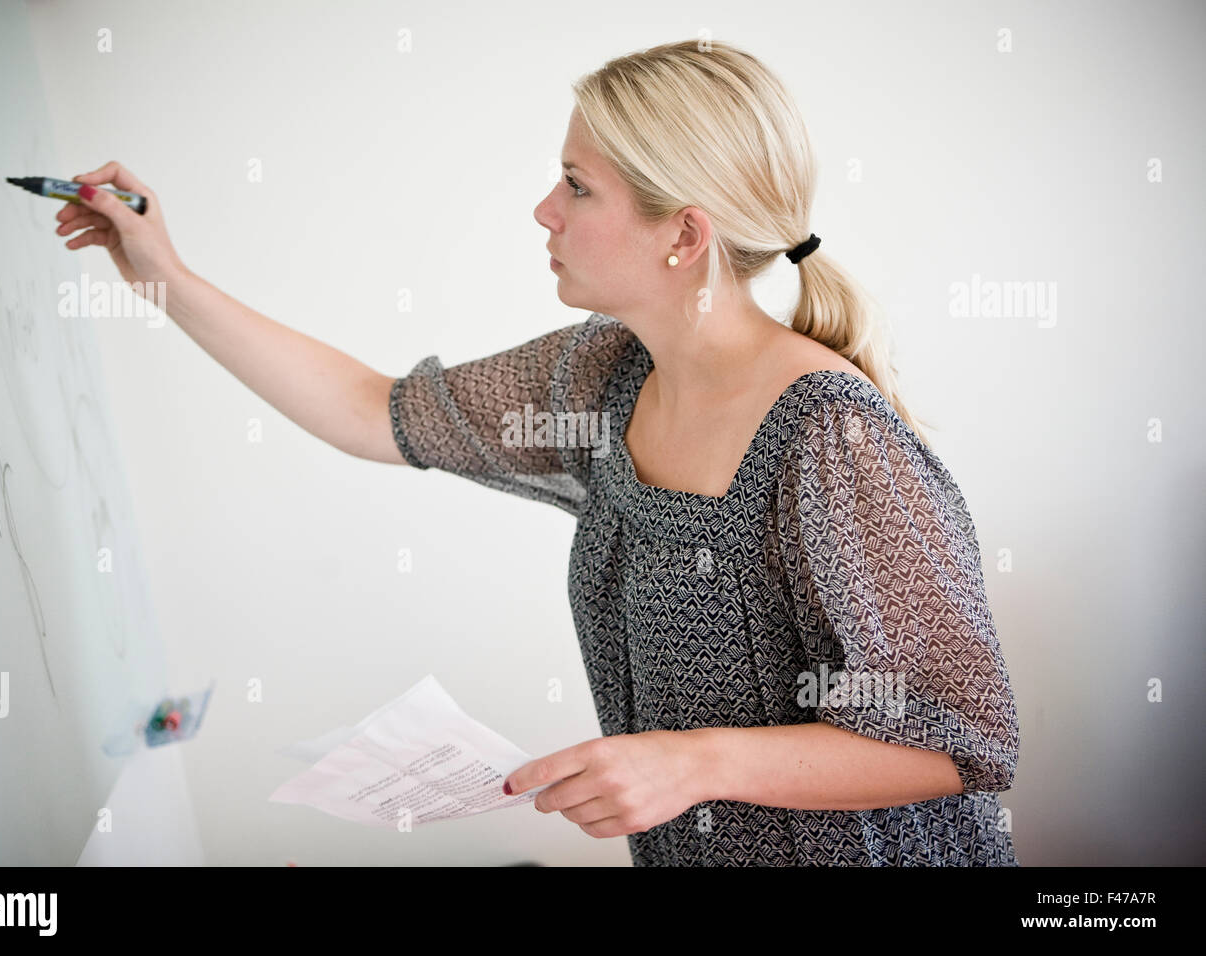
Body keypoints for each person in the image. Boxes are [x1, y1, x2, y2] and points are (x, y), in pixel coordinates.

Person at [58, 38, 1020, 866]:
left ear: (684, 236)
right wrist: (165, 277)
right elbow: (369, 410)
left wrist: (694, 762)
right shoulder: (601, 377)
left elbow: (964, 739)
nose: (543, 212)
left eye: (576, 185)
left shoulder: (834, 437)